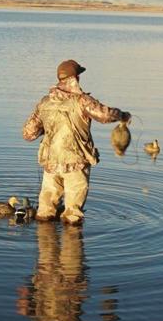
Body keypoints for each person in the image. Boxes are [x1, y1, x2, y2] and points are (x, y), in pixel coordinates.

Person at [22, 59, 130, 224]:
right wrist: (122, 115)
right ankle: (72, 239)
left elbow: (28, 134)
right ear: (76, 78)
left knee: (44, 213)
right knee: (72, 216)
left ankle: (44, 237)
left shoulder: (45, 102)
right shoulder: (82, 101)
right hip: (76, 163)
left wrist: (49, 124)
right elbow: (105, 115)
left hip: (51, 164)